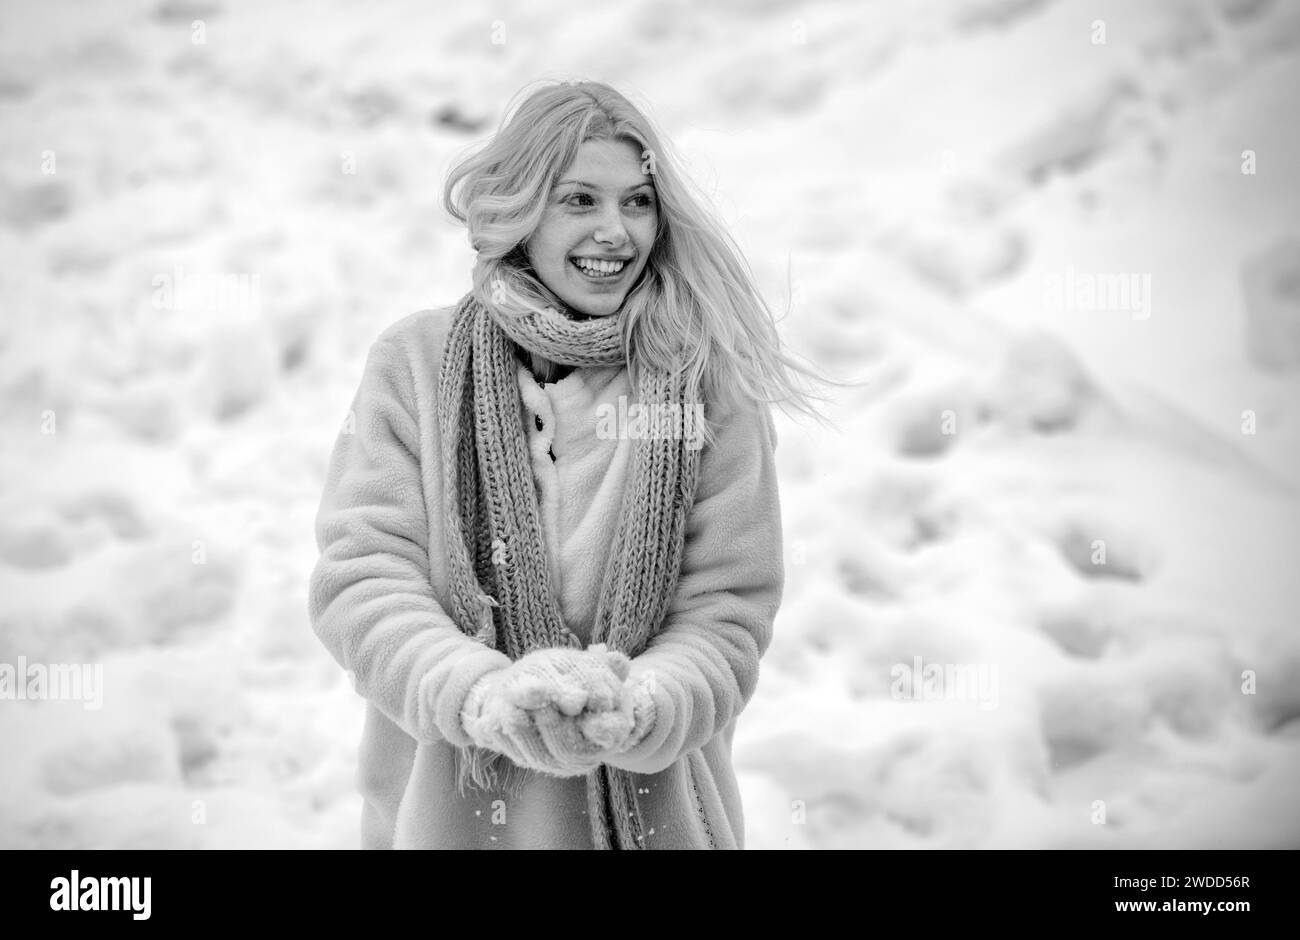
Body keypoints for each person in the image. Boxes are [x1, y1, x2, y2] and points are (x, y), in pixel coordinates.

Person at [307, 79, 836, 849]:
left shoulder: (708, 384)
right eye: (579, 200)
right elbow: (363, 577)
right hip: (452, 824)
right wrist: (481, 695)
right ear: (521, 211)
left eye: (638, 201)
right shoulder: (413, 364)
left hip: (660, 823)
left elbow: (728, 609)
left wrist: (644, 707)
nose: (615, 231)